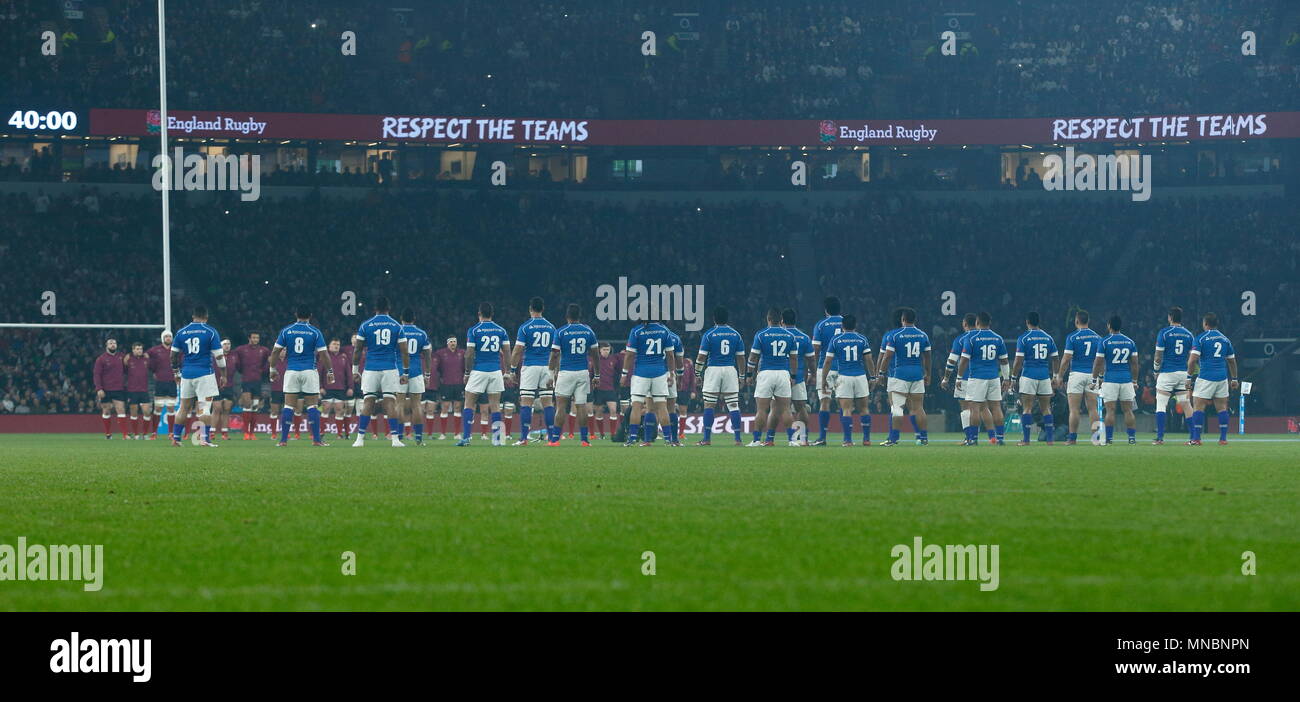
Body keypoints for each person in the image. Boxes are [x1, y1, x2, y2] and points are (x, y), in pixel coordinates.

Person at [270, 306, 331, 447]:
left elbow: (275, 352)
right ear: (310, 315)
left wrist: (272, 369)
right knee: (312, 406)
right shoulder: (315, 332)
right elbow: (324, 354)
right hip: (309, 371)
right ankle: (316, 440)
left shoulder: (286, 331)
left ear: (296, 314)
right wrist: (330, 371)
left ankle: (283, 440)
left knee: (289, 406)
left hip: (291, 371)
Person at [351, 297, 408, 447]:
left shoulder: (366, 325)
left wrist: (355, 370)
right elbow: (404, 352)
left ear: (374, 309)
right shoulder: (396, 326)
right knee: (390, 402)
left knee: (368, 402)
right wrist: (405, 373)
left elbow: (357, 349)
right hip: (390, 368)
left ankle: (360, 439)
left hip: (370, 368)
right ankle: (395, 439)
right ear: (389, 308)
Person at [169, 306, 225, 447]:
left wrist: (176, 372)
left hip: (186, 374)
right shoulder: (210, 332)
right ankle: (203, 439)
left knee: (183, 408)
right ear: (206, 317)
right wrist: (224, 374)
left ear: (193, 316)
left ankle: (176, 439)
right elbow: (219, 356)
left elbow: (173, 355)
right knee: (204, 407)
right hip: (204, 374)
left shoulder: (181, 332)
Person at [458, 302, 511, 447]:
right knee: (495, 405)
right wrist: (508, 371)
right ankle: (497, 439)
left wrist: (467, 372)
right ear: (492, 314)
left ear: (479, 314)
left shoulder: (474, 330)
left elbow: (469, 354)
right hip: (495, 371)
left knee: (469, 402)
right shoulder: (501, 330)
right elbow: (506, 351)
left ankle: (467, 438)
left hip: (479, 370)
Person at [878, 306, 930, 446]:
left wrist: (881, 373)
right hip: (917, 374)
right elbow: (927, 357)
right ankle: (923, 437)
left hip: (899, 374)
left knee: (897, 407)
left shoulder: (895, 335)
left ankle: (893, 438)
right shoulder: (923, 335)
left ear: (903, 319)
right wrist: (927, 374)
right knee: (918, 407)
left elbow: (887, 356)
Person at [694, 305, 745, 446]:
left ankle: (707, 439)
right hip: (730, 369)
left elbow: (701, 357)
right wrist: (742, 376)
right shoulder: (736, 334)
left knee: (709, 404)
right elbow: (741, 357)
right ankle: (738, 439)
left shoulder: (709, 334)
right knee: (733, 405)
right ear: (727, 318)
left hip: (713, 369)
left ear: (714, 319)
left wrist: (697, 372)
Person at [746, 308, 798, 447]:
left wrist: (749, 374)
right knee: (786, 409)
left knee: (762, 409)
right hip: (783, 373)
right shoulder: (789, 335)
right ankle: (792, 440)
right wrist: (793, 375)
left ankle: (756, 440)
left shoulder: (761, 334)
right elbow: (793, 358)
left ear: (768, 319)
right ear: (781, 321)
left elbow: (753, 356)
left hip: (766, 373)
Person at [820, 314, 874, 446]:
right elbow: (868, 359)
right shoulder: (862, 339)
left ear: (842, 326)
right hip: (860, 376)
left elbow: (827, 362)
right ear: (855, 325)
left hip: (844, 377)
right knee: (864, 409)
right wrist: (872, 377)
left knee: (846, 409)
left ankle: (848, 440)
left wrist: (823, 379)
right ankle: (866, 439)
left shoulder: (836, 340)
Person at [957, 311, 1010, 446]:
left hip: (977, 377)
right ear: (989, 323)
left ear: (977, 322)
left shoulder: (972, 338)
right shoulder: (998, 338)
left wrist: (958, 377)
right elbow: (1004, 361)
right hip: (993, 377)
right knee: (996, 408)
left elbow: (963, 360)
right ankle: (1000, 438)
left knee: (974, 408)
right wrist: (1006, 378)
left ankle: (973, 439)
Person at [510, 297, 558, 445]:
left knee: (526, 402)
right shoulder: (551, 327)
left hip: (530, 366)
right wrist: (554, 371)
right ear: (543, 309)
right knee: (548, 403)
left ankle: (524, 438)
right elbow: (556, 352)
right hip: (546, 367)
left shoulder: (525, 327)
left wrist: (512, 369)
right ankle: (551, 438)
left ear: (530, 309)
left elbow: (518, 350)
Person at [550, 303, 599, 446]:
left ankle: (554, 440)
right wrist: (597, 375)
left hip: (566, 372)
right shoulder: (588, 331)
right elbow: (595, 355)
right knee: (581, 406)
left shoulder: (560, 332)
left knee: (561, 407)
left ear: (567, 316)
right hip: (583, 372)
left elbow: (554, 354)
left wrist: (550, 373)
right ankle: (584, 440)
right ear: (580, 316)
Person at [623, 313, 676, 447]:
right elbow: (670, 355)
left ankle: (632, 439)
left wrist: (624, 374)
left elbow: (629, 355)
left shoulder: (636, 331)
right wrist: (672, 373)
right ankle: (668, 440)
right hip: (659, 373)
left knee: (636, 406)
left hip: (641, 373)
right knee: (662, 407)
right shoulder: (664, 331)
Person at [1186, 313, 1238, 446]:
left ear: (1205, 324)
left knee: (1198, 406)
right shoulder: (1225, 339)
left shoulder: (1201, 338)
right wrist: (1234, 379)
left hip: (1206, 377)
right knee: (1222, 408)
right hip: (1222, 377)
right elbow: (1232, 361)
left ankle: (1196, 439)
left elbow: (1192, 361)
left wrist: (1188, 377)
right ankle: (1223, 439)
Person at [1010, 311, 1059, 445]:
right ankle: (1050, 439)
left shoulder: (1024, 338)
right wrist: (1055, 375)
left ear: (1027, 322)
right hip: (1044, 376)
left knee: (1027, 408)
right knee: (1046, 408)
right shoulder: (1048, 337)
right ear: (1039, 322)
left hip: (1028, 376)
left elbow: (1018, 360)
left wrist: (1013, 377)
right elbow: (1055, 358)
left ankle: (1026, 440)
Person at [1055, 310, 1103, 445]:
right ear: (1088, 321)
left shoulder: (1072, 337)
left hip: (1076, 374)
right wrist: (1101, 375)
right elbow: (1101, 360)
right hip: (1092, 375)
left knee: (1074, 409)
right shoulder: (1098, 338)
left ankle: (1072, 439)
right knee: (1093, 409)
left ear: (1076, 321)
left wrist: (1059, 376)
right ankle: (1096, 439)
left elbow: (1066, 359)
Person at [1091, 315, 1139, 445]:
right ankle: (1131, 439)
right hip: (1126, 379)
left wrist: (1094, 379)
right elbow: (1135, 363)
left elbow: (1098, 363)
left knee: (1110, 410)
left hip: (1110, 379)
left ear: (1109, 326)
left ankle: (1109, 439)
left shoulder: (1105, 341)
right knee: (1128, 410)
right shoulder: (1130, 342)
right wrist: (1134, 381)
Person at [1152, 306, 1195, 444]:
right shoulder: (1189, 334)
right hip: (1183, 372)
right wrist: (1189, 375)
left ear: (1170, 317)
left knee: (1161, 404)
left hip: (1167, 373)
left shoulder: (1164, 333)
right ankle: (1194, 437)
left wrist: (1156, 370)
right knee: (1186, 405)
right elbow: (1192, 357)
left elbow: (1158, 356)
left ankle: (1160, 438)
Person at [810, 296, 844, 446]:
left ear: (826, 310)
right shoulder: (846, 322)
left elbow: (816, 349)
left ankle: (822, 437)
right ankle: (847, 438)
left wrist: (811, 371)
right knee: (844, 403)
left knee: (824, 401)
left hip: (825, 368)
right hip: (844, 369)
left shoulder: (821, 325)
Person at [781, 308, 816, 446]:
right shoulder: (804, 337)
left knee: (781, 408)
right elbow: (811, 360)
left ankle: (770, 439)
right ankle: (803, 438)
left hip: (782, 376)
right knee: (801, 408)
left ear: (782, 321)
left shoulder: (779, 335)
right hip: (799, 377)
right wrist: (813, 374)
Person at [398, 309, 433, 445]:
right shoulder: (421, 333)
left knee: (399, 404)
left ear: (401, 319)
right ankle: (418, 438)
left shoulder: (398, 331)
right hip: (417, 371)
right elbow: (428, 355)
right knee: (417, 405)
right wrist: (428, 374)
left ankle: (399, 437)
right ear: (414, 319)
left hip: (400, 371)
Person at [231, 332, 270, 440]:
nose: (256, 339)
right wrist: (241, 370)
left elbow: (268, 362)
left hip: (258, 381)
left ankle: (252, 433)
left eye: (257, 337)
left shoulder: (264, 350)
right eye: (254, 337)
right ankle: (246, 432)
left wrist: (263, 370)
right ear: (249, 338)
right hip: (246, 380)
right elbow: (236, 362)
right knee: (247, 405)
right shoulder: (241, 349)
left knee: (255, 407)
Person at [93, 338, 127, 439]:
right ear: (106, 346)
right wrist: (99, 388)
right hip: (105, 389)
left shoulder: (122, 357)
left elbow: (127, 369)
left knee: (121, 409)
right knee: (106, 410)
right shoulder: (101, 359)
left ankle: (125, 435)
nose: (113, 345)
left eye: (114, 343)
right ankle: (108, 434)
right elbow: (96, 374)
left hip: (118, 388)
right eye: (110, 343)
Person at [146, 330, 176, 439]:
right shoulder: (155, 350)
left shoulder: (175, 349)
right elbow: (145, 356)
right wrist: (153, 371)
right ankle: (154, 433)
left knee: (171, 408)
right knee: (158, 408)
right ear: (163, 338)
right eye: (166, 336)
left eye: (169, 336)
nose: (168, 338)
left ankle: (171, 433)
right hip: (160, 383)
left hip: (172, 382)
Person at [124, 341, 153, 439]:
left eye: (140, 349)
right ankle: (136, 434)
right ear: (133, 350)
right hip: (132, 390)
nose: (139, 351)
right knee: (134, 412)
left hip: (144, 390)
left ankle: (145, 434)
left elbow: (153, 368)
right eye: (137, 349)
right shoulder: (128, 359)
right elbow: (122, 370)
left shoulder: (146, 360)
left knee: (147, 412)